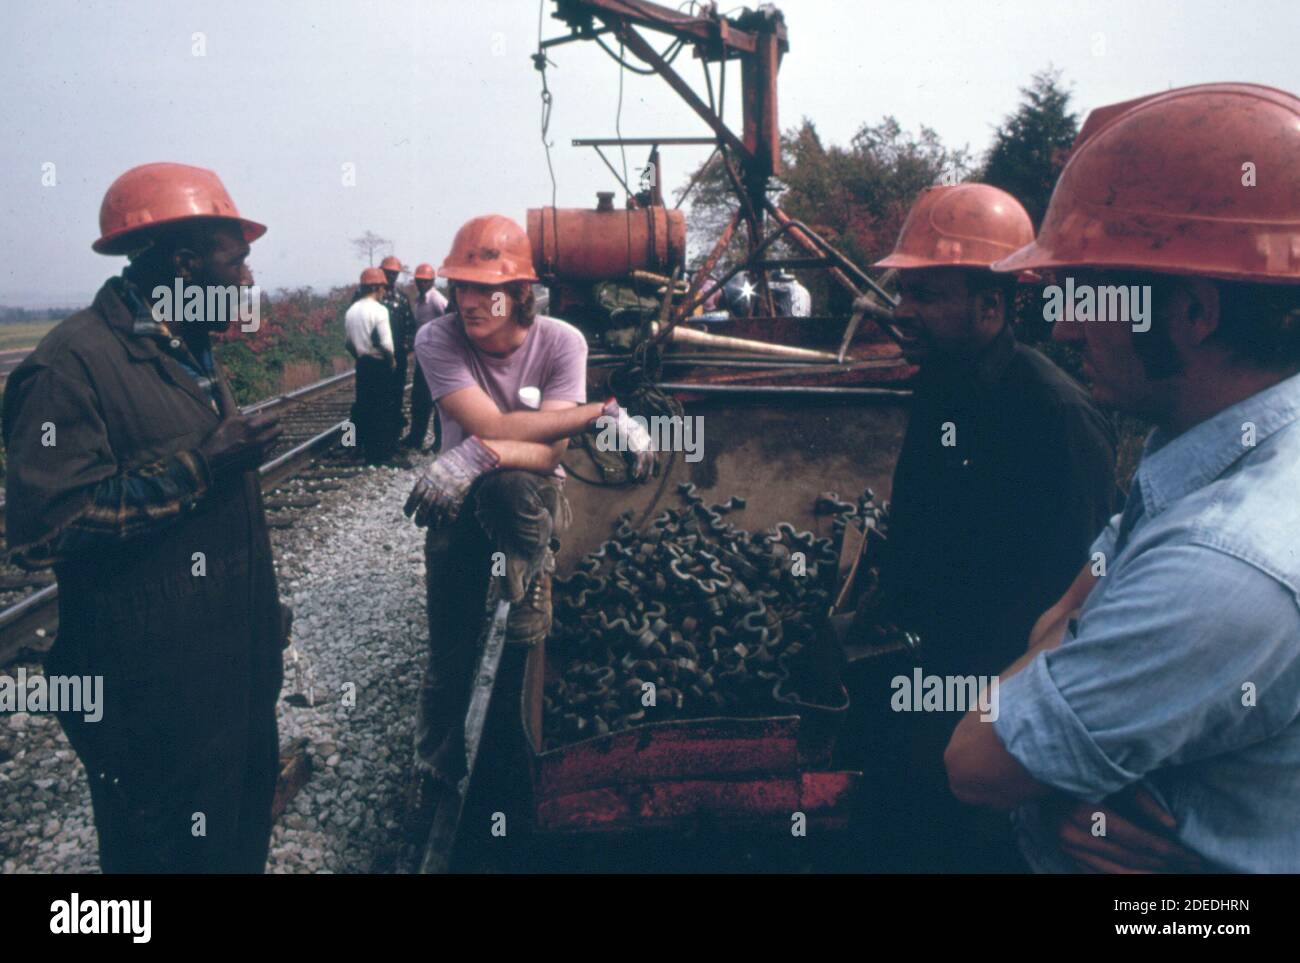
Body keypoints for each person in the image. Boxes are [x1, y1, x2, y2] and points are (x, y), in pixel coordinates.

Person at [945, 83, 1300, 874]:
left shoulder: (1222, 565)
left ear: (1194, 312)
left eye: (1092, 293)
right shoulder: (1214, 460)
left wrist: (1052, 775)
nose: (1067, 324)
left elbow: (976, 759)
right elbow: (1069, 612)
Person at [2, 162, 288, 873]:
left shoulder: (187, 349)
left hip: (233, 675)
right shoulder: (70, 366)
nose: (249, 282)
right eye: (237, 260)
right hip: (151, 701)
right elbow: (50, 525)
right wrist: (201, 465)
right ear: (183, 264)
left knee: (234, 842)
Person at [842, 182, 1116, 871]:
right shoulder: (941, 382)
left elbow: (1078, 604)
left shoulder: (1053, 414)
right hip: (930, 673)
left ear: (992, 304)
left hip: (1001, 707)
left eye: (926, 295)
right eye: (905, 292)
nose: (903, 311)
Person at [403, 214, 653, 788]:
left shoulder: (561, 341)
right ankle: (435, 764)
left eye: (487, 289)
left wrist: (480, 454)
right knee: (449, 651)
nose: (469, 301)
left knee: (509, 482)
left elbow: (548, 455)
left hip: (528, 498)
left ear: (520, 295)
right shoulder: (435, 337)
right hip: (456, 497)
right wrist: (597, 412)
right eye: (462, 285)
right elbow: (491, 424)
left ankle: (530, 569)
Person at [344, 267, 399, 464]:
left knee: (361, 407)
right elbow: (386, 344)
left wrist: (359, 356)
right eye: (383, 287)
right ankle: (380, 455)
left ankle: (355, 448)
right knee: (382, 409)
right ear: (376, 287)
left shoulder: (351, 311)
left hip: (362, 365)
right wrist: (391, 361)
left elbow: (348, 343)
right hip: (379, 365)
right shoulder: (380, 310)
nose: (384, 291)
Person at [402, 262, 447, 452]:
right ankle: (415, 438)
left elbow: (448, 319)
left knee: (437, 400)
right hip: (423, 356)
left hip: (436, 356)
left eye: (425, 281)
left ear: (432, 282)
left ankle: (439, 442)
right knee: (419, 399)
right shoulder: (420, 300)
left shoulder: (436, 299)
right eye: (419, 281)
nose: (421, 284)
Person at [379, 254, 417, 441]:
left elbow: (411, 327)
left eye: (394, 274)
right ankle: (365, 441)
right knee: (374, 399)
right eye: (388, 273)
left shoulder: (401, 299)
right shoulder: (369, 298)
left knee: (396, 397)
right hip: (376, 357)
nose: (391, 277)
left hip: (398, 357)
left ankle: (392, 440)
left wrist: (405, 347)